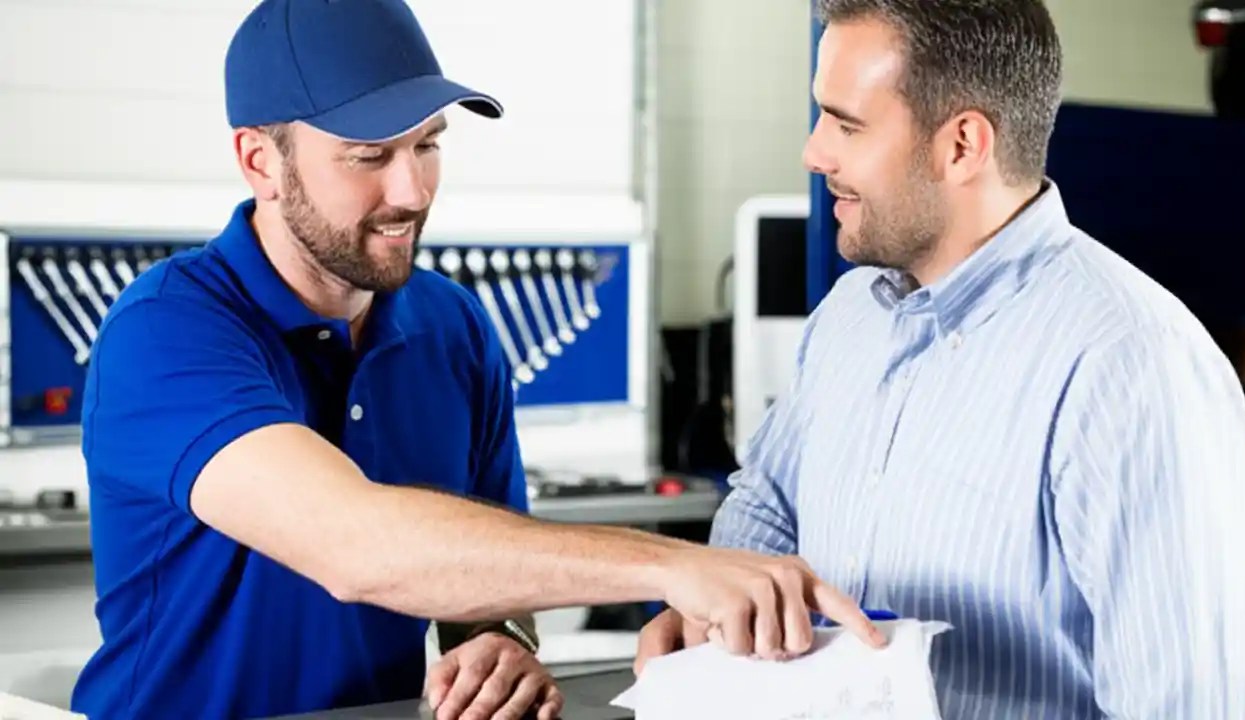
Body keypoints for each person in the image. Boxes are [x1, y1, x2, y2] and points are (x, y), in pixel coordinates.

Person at [67, 1, 883, 718]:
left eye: (428, 145)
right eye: (369, 157)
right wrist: (677, 565)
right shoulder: (168, 331)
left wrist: (501, 643)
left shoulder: (452, 327)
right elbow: (360, 549)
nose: (414, 190)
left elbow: (490, 595)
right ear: (259, 161)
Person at [636, 0, 1245, 716]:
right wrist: (728, 610)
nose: (814, 152)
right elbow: (768, 505)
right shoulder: (850, 317)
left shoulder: (1129, 365)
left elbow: (1187, 705)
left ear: (963, 145)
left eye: (847, 123)